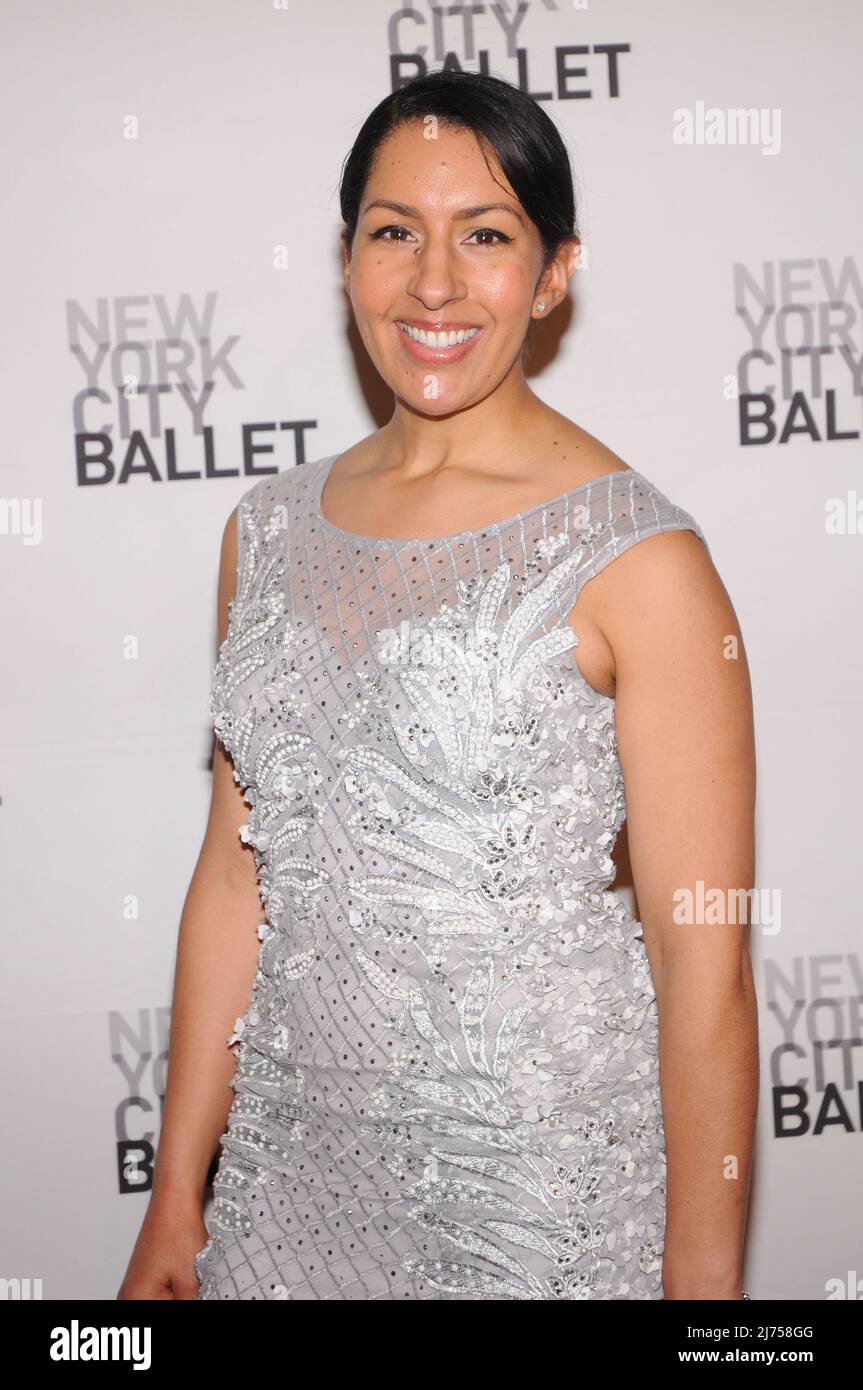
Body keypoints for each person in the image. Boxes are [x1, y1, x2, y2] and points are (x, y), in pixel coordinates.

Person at [118, 68, 757, 1302]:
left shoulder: (640, 561)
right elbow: (232, 878)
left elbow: (702, 961)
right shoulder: (265, 530)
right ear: (347, 255)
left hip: (540, 1198)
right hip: (284, 1190)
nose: (434, 285)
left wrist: (705, 1302)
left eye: (485, 237)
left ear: (553, 272)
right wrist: (172, 1201)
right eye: (393, 232)